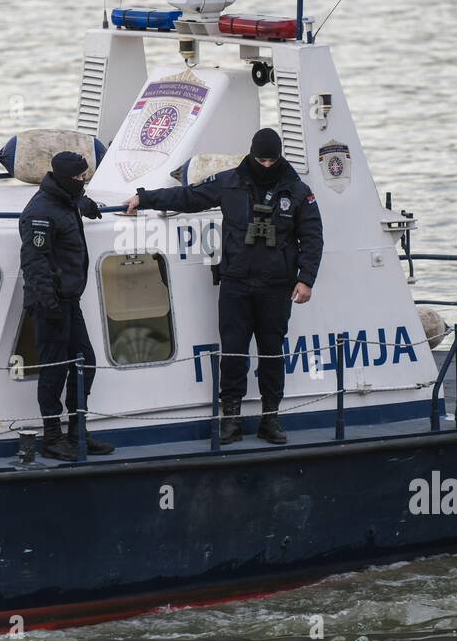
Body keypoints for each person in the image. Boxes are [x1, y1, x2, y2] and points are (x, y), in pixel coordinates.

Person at [123, 127, 323, 444]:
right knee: (233, 353)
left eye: (272, 160)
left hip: (276, 287)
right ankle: (230, 420)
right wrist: (146, 197)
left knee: (272, 354)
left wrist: (306, 278)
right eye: (262, 159)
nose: (267, 165)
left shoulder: (298, 191)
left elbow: (312, 237)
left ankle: (270, 419)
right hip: (236, 284)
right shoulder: (229, 181)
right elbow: (189, 197)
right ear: (252, 154)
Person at [19, 151, 114, 460]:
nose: (82, 182)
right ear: (63, 180)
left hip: (69, 300)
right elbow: (34, 265)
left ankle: (77, 430)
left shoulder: (67, 199)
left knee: (85, 361)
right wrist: (50, 307)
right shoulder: (40, 213)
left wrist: (86, 206)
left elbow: (74, 201)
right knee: (53, 371)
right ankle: (51, 437)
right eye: (78, 179)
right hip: (50, 304)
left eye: (84, 177)